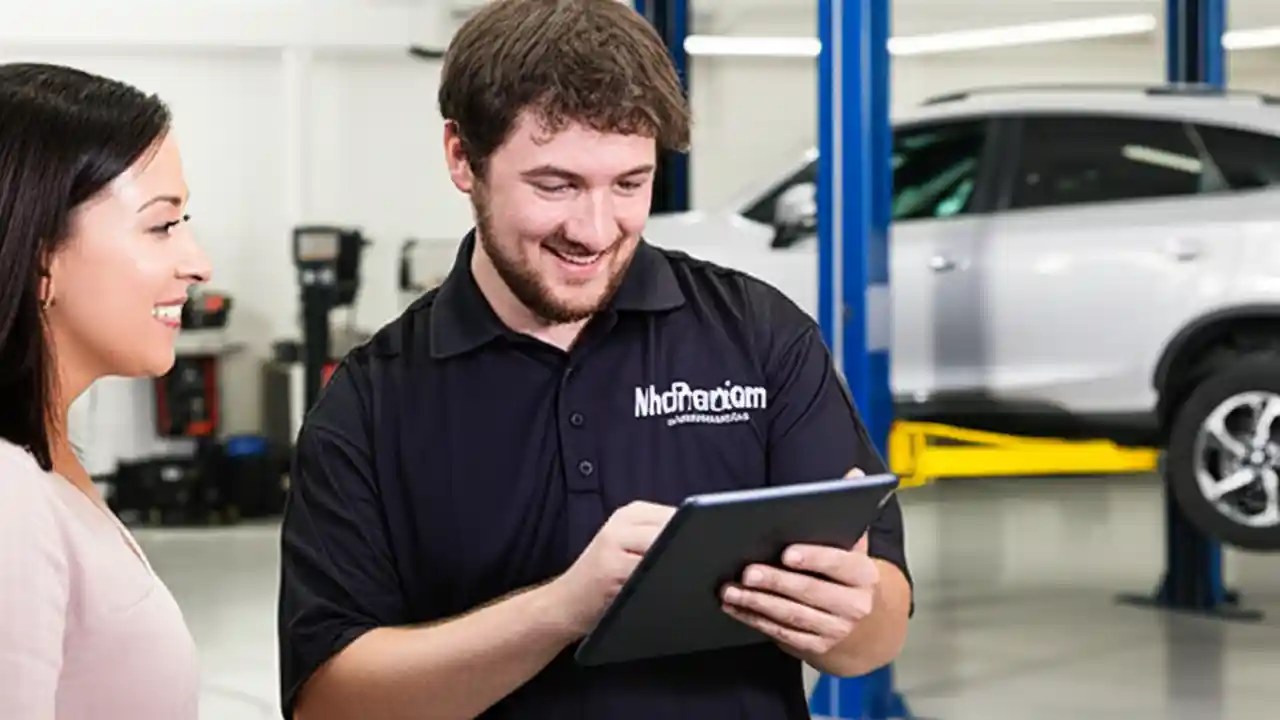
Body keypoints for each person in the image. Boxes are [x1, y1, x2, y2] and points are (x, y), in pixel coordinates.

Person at [276, 1, 912, 718]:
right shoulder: (370, 403)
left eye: (629, 184)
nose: (595, 229)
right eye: (556, 185)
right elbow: (328, 705)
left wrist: (848, 617)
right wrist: (561, 609)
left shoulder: (760, 337)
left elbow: (876, 630)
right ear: (462, 157)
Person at [0, 62, 211, 718]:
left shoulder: (46, 471)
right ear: (40, 259)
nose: (198, 263)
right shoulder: (8, 494)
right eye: (161, 226)